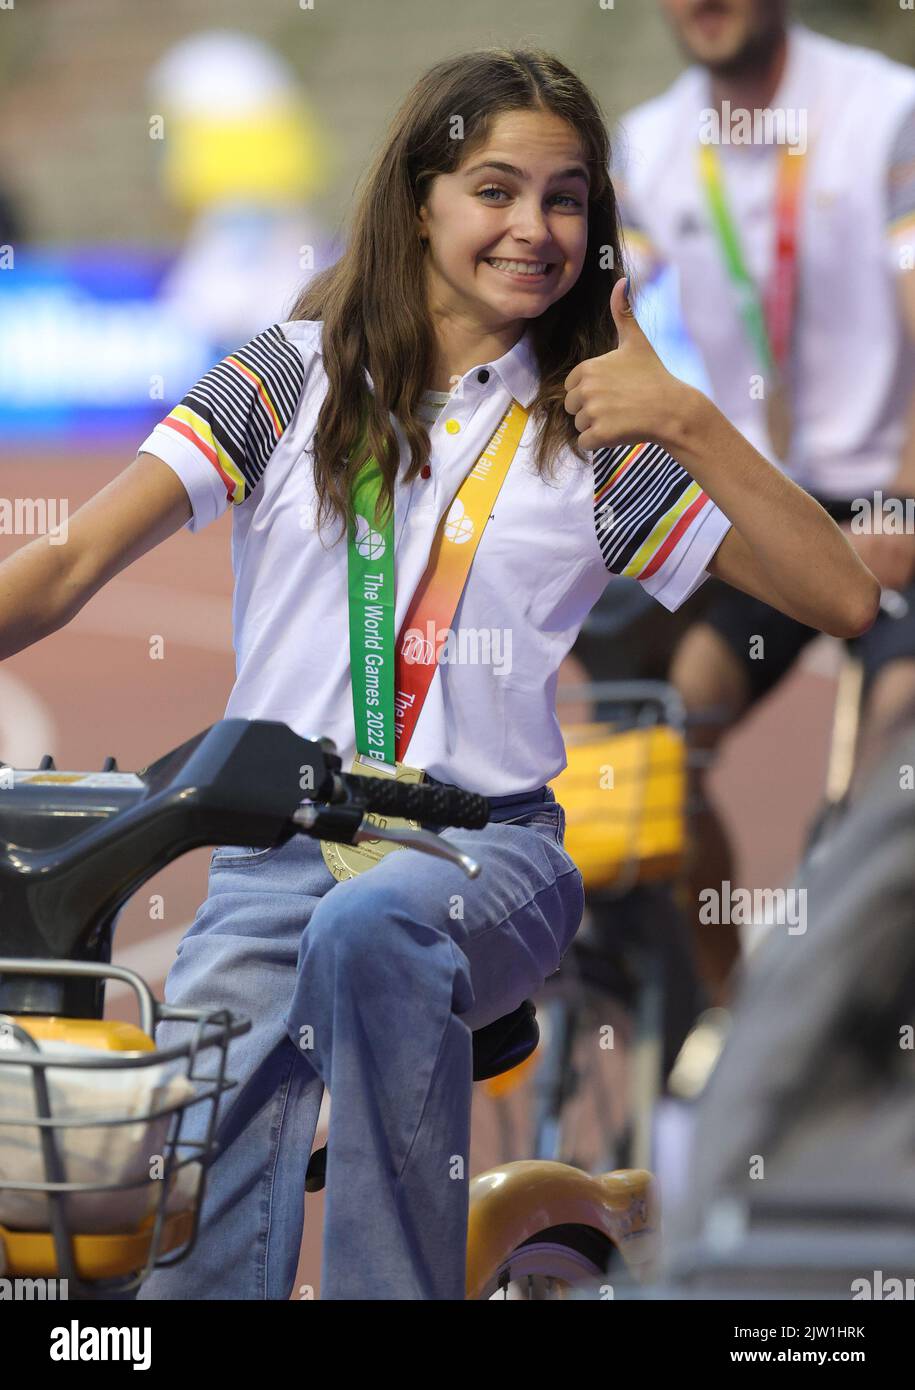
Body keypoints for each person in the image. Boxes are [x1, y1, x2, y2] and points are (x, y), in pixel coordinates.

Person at [0, 47, 877, 1300]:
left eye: (567, 199)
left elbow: (842, 594)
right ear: (419, 197)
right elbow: (78, 553)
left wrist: (687, 415)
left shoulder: (593, 438)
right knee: (178, 1242)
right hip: (272, 854)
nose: (535, 227)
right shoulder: (286, 375)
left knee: (372, 926)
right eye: (497, 189)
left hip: (485, 854)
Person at [612, 0, 915, 1003]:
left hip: (899, 485)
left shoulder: (886, 110)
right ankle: (726, 1027)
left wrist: (904, 502)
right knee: (671, 737)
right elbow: (590, 306)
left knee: (889, 756)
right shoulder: (653, 145)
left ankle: (866, 1025)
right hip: (773, 497)